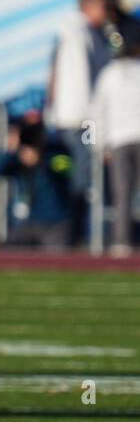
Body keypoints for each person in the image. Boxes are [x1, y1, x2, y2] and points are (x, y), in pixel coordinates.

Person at [47, 0, 115, 234]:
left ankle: (77, 228)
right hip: (80, 119)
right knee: (84, 173)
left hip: (76, 116)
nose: (104, 12)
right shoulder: (77, 33)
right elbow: (82, 79)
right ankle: (75, 229)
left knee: (84, 171)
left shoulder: (79, 32)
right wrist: (93, 118)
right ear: (87, 7)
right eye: (100, 6)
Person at [89, 18, 140, 255]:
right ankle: (121, 241)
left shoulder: (108, 75)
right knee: (124, 194)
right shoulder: (111, 74)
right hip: (127, 137)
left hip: (119, 140)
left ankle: (121, 242)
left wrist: (101, 145)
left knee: (122, 194)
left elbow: (97, 112)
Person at [0, 115, 74, 248]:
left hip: (55, 223)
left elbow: (67, 169)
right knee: (6, 259)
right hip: (25, 223)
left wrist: (41, 160)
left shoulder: (56, 149)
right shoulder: (16, 158)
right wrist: (10, 150)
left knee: (57, 264)